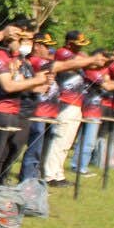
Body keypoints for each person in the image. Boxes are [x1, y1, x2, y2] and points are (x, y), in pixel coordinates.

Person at [0, 18, 49, 228]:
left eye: (30, 39)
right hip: (0, 110)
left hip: (17, 111)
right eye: (23, 38)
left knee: (11, 154)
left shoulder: (21, 59)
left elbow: (22, 84)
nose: (27, 43)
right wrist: (37, 81)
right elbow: (7, 85)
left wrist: (36, 85)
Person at [42, 30, 92, 184]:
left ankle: (58, 173)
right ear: (69, 43)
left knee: (66, 142)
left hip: (76, 103)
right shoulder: (63, 53)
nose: (80, 48)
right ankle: (50, 174)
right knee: (59, 139)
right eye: (77, 45)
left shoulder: (77, 56)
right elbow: (80, 61)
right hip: (65, 101)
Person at [20, 32, 60, 183]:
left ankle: (32, 178)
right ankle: (27, 180)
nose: (48, 50)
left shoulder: (39, 61)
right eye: (46, 46)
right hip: (37, 111)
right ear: (37, 46)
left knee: (37, 149)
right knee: (34, 149)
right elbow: (55, 64)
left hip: (43, 110)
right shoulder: (36, 60)